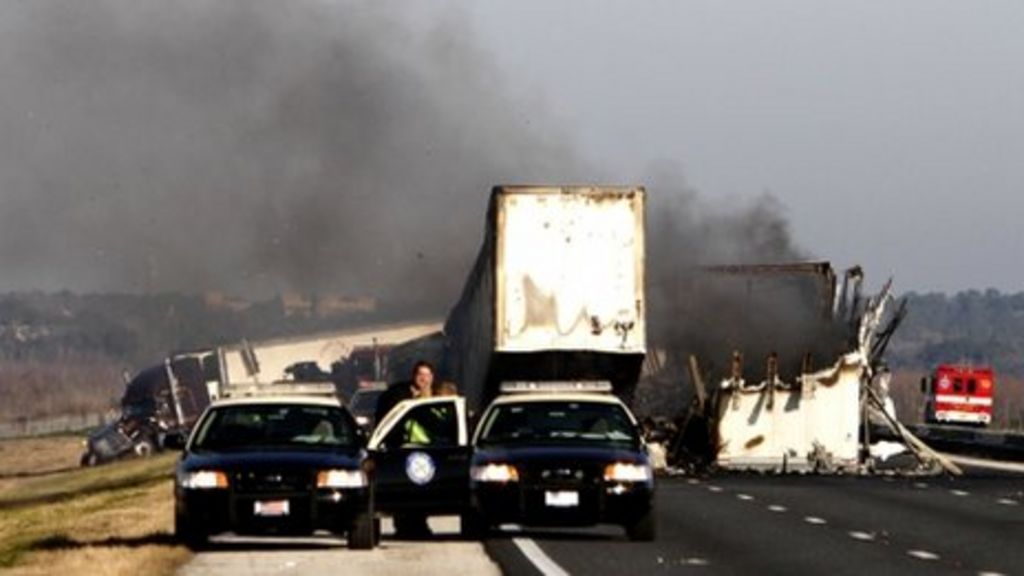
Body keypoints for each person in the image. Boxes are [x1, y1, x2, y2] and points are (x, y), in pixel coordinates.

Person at [374, 360, 435, 426]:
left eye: (427, 375)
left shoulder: (437, 395)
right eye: (420, 374)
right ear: (414, 375)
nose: (424, 379)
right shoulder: (398, 394)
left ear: (432, 378)